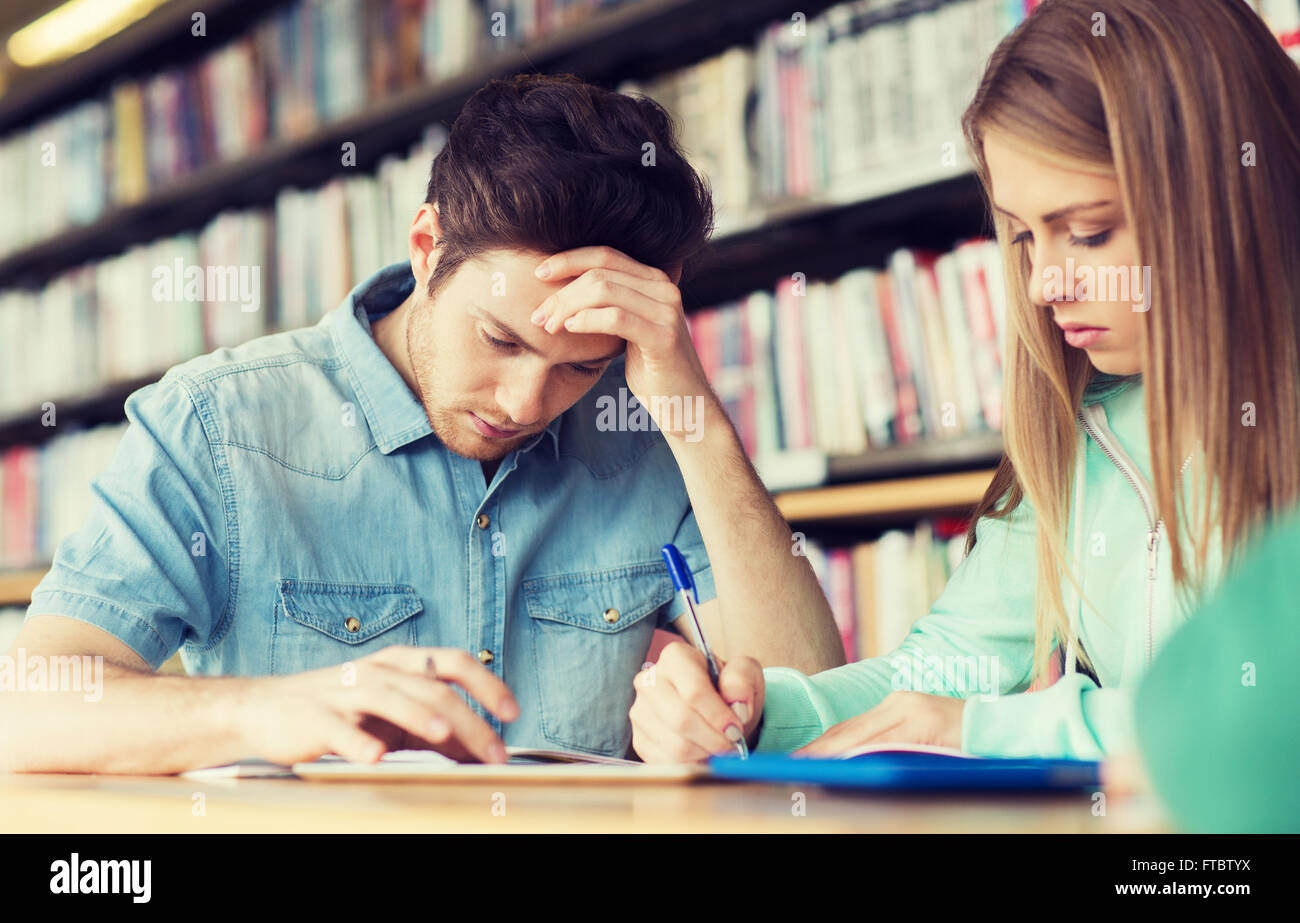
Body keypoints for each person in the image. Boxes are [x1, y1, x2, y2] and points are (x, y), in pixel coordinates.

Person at [1, 74, 845, 774]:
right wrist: (265, 710)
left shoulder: (647, 425)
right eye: (499, 338)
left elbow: (818, 705)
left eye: (580, 367)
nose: (523, 402)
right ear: (426, 245)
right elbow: (30, 709)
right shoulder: (217, 425)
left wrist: (691, 409)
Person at [629, 0, 1300, 763]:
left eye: (1087, 233)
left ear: (1218, 195)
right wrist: (752, 714)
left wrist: (989, 729)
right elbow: (945, 669)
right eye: (1021, 235)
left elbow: (1267, 713)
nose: (1046, 283)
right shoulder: (1083, 438)